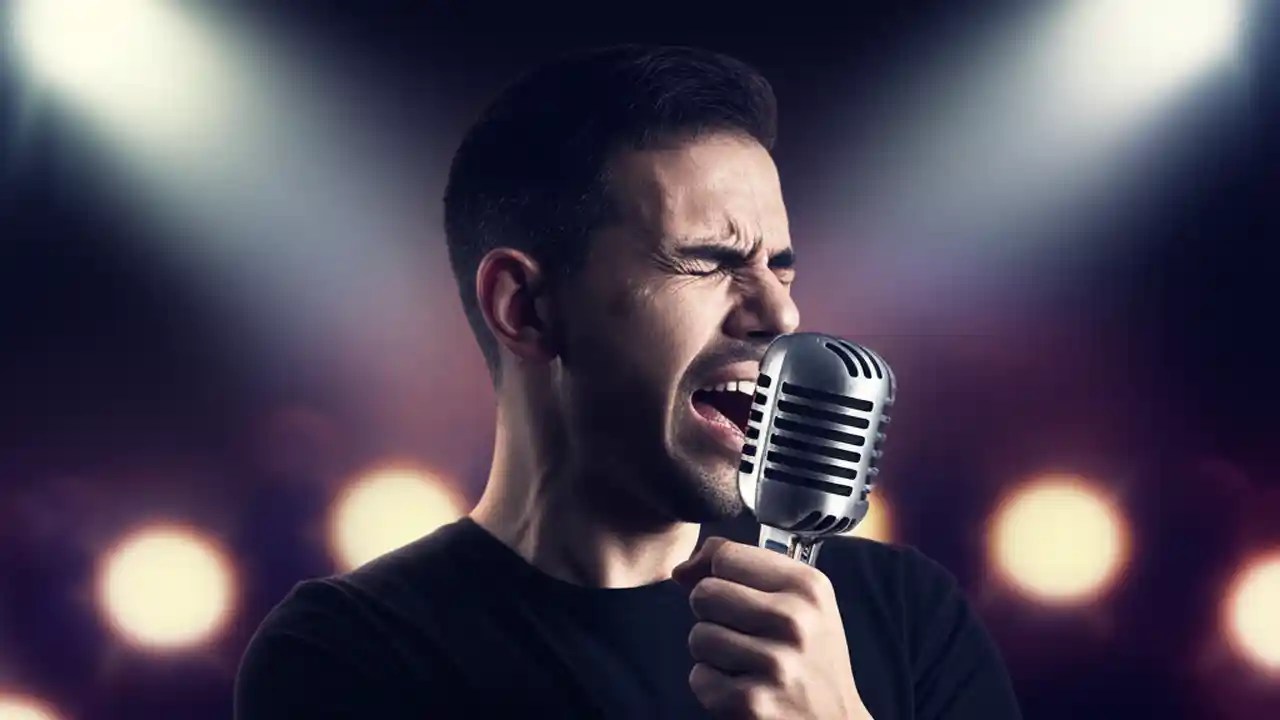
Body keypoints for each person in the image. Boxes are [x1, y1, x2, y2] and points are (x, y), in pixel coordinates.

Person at [234, 44, 1022, 719]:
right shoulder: (352, 657)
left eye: (780, 266)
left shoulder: (907, 617)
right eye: (709, 262)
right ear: (527, 308)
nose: (779, 313)